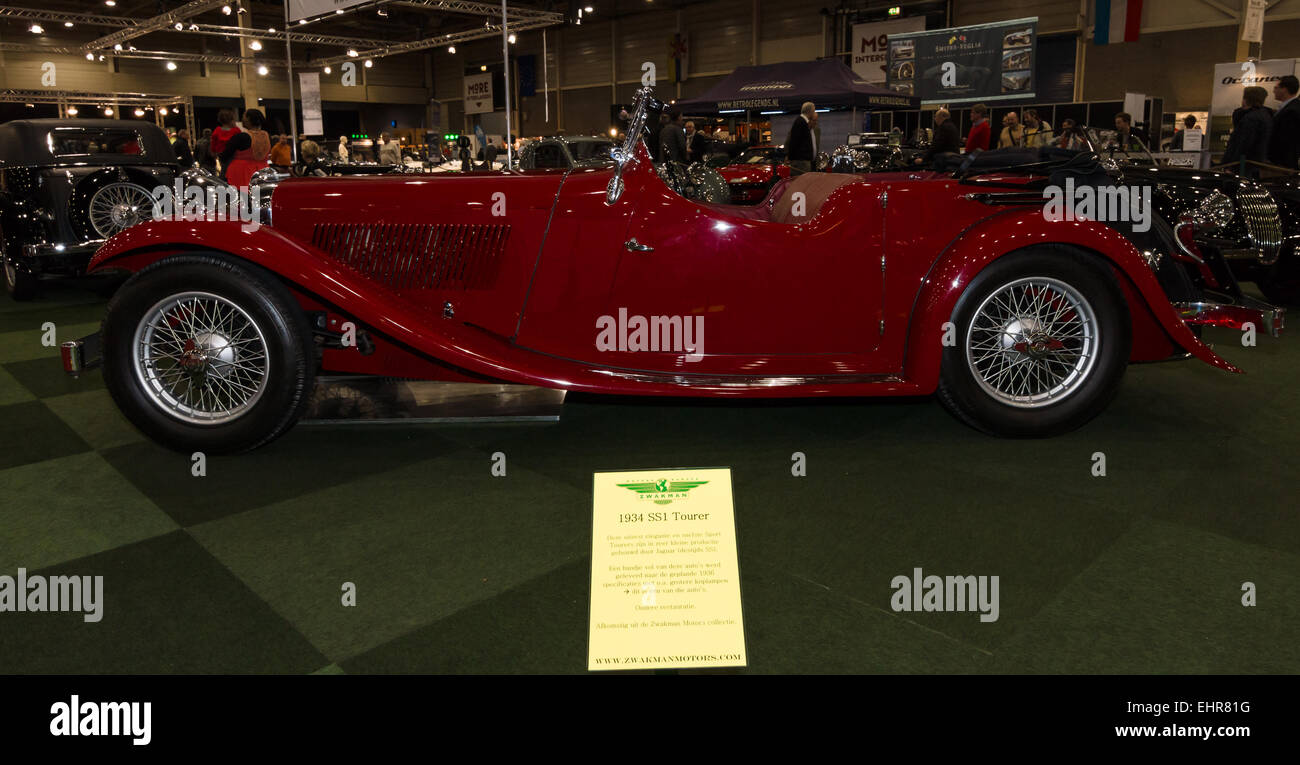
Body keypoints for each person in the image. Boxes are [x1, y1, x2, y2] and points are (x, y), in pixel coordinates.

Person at [1223, 86, 1273, 178]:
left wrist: (1232, 167)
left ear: (1246, 99)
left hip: (1244, 167)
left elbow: (1243, 144)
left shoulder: (1250, 119)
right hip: (1256, 164)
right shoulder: (1266, 116)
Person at [224, 108, 270, 188]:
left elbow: (225, 155)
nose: (242, 119)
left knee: (243, 195)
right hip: (262, 173)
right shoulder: (267, 136)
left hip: (242, 175)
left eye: (243, 116)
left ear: (248, 119)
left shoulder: (241, 137)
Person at [1268, 74, 1300, 170]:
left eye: (1276, 88)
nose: (1273, 91)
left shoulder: (1292, 111)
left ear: (1284, 89)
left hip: (1282, 164)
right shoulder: (1290, 107)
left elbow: (1286, 140)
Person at [785, 101, 817, 172]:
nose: (814, 113)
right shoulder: (800, 122)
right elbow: (794, 141)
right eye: (813, 111)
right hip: (801, 162)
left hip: (802, 161)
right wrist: (790, 157)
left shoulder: (803, 122)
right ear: (810, 111)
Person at [208, 108, 241, 174]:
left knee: (224, 171)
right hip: (235, 156)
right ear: (231, 120)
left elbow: (213, 145)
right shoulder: (236, 130)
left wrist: (214, 153)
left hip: (221, 156)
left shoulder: (217, 130)